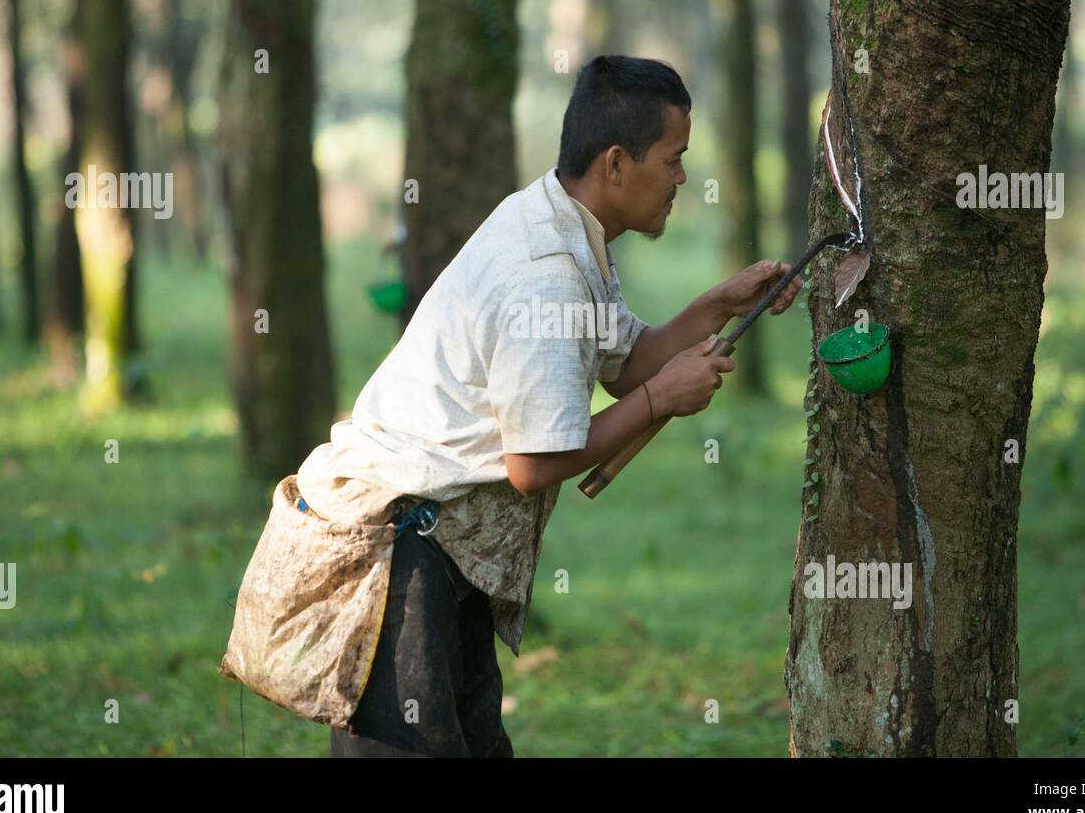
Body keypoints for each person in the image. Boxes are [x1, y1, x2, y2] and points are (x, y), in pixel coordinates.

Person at [295, 55, 803, 757]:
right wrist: (666, 397)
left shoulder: (561, 224)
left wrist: (720, 303)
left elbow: (626, 365)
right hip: (398, 554)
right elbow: (534, 463)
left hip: (446, 547)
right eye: (674, 158)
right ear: (617, 164)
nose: (683, 178)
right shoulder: (549, 277)